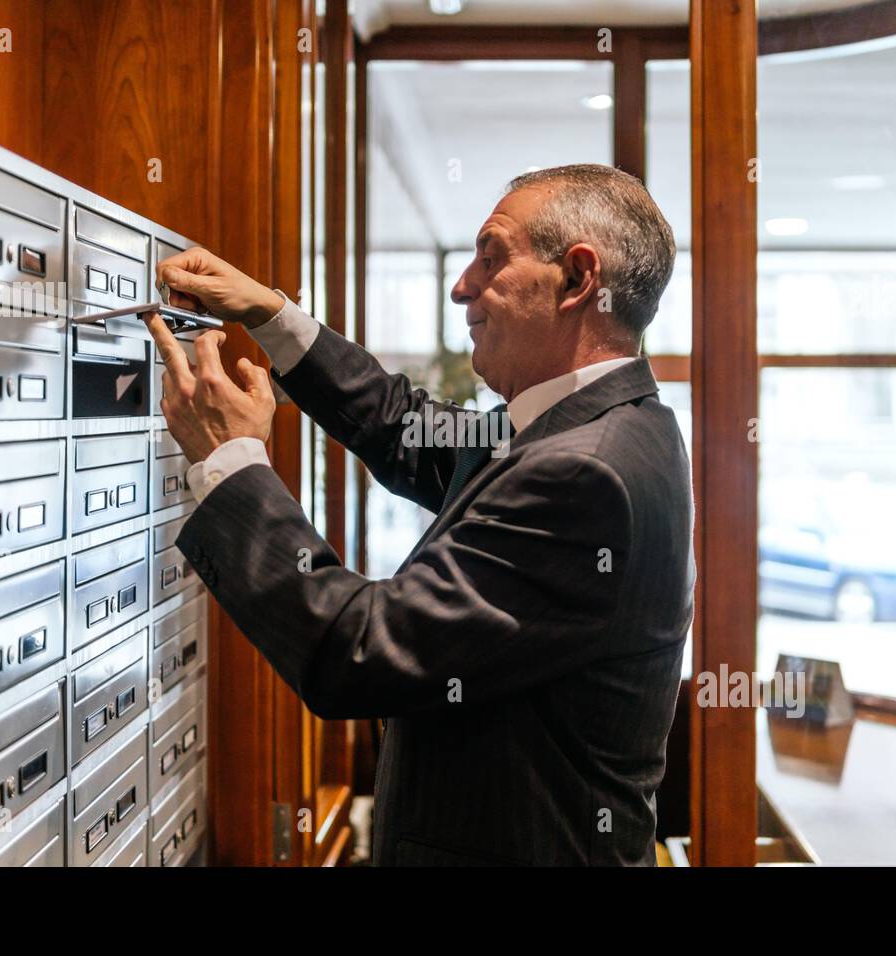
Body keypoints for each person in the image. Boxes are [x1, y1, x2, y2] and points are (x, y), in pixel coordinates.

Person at [146, 163, 694, 866]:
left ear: (579, 279)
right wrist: (270, 315)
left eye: (491, 257)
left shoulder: (583, 471)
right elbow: (408, 428)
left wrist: (232, 461)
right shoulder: (600, 424)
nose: (462, 285)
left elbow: (361, 650)